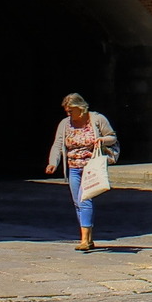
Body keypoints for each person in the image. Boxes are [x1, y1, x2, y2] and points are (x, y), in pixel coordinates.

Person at [43, 92, 118, 252]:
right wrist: (53, 162)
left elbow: (112, 137)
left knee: (85, 199)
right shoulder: (65, 124)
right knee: (77, 202)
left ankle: (84, 240)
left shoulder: (97, 119)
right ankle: (88, 238)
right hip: (73, 167)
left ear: (80, 108)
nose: (68, 114)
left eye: (71, 111)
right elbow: (58, 144)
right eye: (67, 111)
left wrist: (102, 140)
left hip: (90, 167)